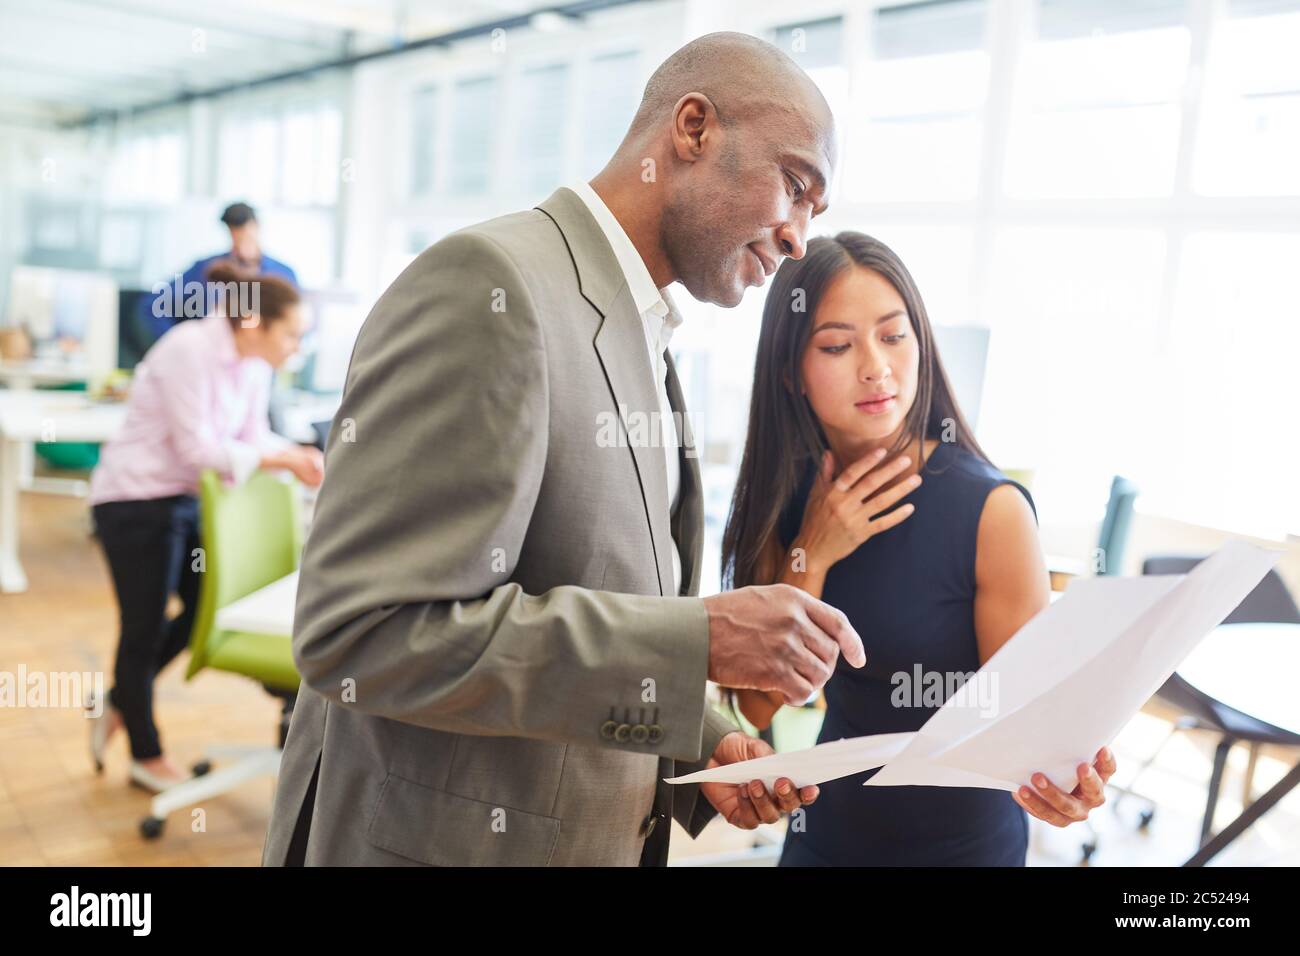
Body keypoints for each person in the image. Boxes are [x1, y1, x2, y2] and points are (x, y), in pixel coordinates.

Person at [263, 33, 863, 868]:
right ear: (692, 130)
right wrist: (699, 641)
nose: (800, 236)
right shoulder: (491, 287)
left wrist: (700, 737)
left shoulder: (642, 327)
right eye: (796, 186)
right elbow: (365, 632)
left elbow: (583, 594)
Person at [721, 232, 1116, 865]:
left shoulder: (991, 512)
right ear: (792, 371)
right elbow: (758, 705)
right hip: (826, 836)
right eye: (837, 345)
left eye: (893, 335)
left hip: (960, 849)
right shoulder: (788, 498)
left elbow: (1034, 735)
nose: (875, 366)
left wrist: (1065, 783)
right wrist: (812, 556)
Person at [88, 265, 324, 792]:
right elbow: (199, 450)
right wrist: (282, 463)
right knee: (143, 628)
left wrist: (291, 453)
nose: (295, 347)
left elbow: (250, 434)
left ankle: (122, 698)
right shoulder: (188, 350)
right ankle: (145, 755)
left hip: (187, 499)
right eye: (290, 334)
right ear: (251, 323)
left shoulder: (254, 364)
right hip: (135, 500)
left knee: (202, 610)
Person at [143, 202, 299, 342]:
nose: (243, 245)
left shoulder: (283, 275)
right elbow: (154, 304)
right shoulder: (208, 269)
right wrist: (179, 343)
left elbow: (295, 321)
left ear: (257, 226)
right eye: (235, 234)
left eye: (247, 234)